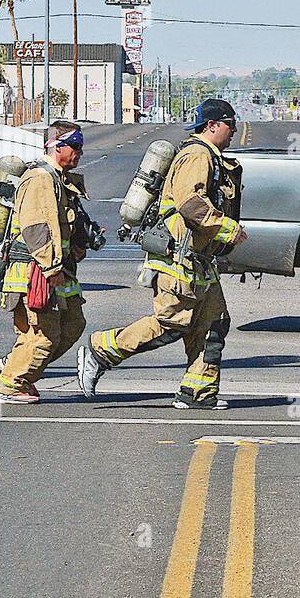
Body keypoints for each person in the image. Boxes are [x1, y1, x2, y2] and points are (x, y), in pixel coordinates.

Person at [78, 99, 246, 410]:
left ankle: (198, 393)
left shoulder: (210, 156)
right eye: (229, 122)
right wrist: (226, 227)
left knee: (213, 324)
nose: (234, 129)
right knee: (171, 323)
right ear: (211, 126)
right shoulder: (197, 155)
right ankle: (101, 350)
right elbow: (190, 203)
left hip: (199, 262)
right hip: (178, 260)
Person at [0, 121, 92, 405]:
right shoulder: (41, 179)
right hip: (36, 272)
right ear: (57, 146)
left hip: (58, 270)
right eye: (76, 146)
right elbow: (37, 228)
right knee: (43, 334)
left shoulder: (59, 179)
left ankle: (19, 367)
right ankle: (8, 384)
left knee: (73, 323)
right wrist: (52, 267)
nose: (80, 152)